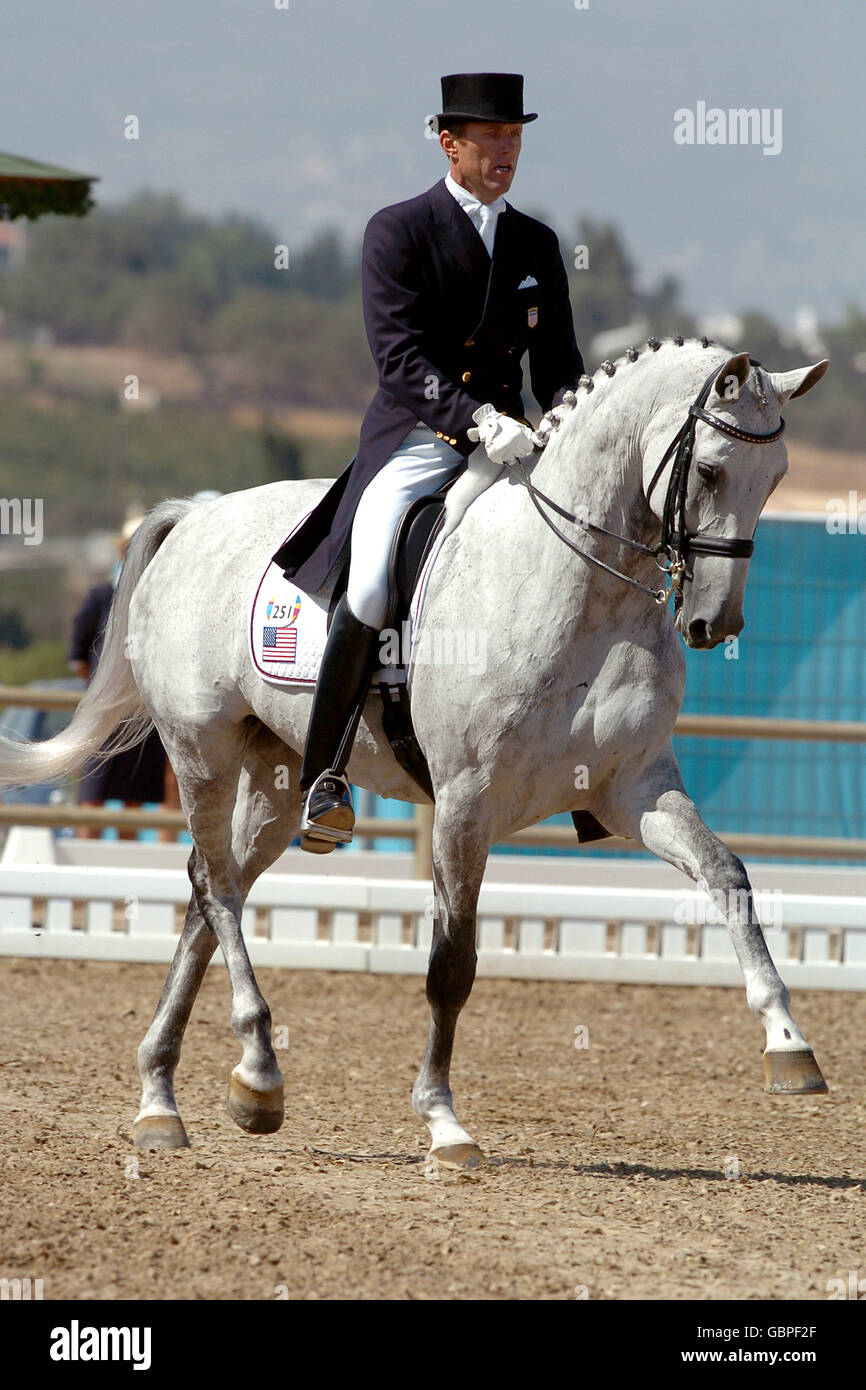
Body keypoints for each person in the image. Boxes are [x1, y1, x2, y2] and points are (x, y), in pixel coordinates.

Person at [273, 72, 585, 853]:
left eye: (515, 137)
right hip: (419, 439)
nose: (506, 151)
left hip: (510, 441)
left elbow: (559, 368)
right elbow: (399, 358)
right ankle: (325, 777)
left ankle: (587, 763)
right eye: (491, 138)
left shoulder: (537, 244)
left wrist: (569, 427)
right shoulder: (399, 229)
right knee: (373, 578)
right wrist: (475, 417)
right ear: (451, 143)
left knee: (576, 554)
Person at [69, 515, 169, 839]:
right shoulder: (101, 596)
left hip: (141, 713)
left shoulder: (160, 600)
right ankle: (81, 884)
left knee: (134, 801)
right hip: (106, 713)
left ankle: (121, 886)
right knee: (92, 800)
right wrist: (102, 691)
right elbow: (80, 657)